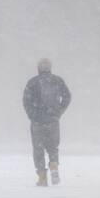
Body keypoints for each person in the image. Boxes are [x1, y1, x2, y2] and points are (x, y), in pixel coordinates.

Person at [23, 58, 72, 186]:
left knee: (38, 150)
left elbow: (26, 102)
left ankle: (42, 177)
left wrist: (33, 115)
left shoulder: (32, 83)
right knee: (53, 147)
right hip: (53, 121)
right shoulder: (57, 81)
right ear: (50, 68)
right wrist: (59, 112)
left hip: (37, 122)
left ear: (38, 68)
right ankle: (54, 165)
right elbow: (67, 96)